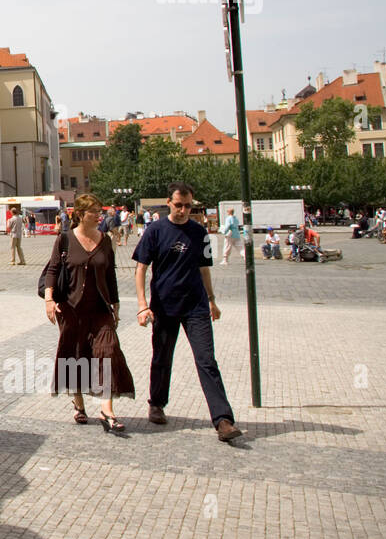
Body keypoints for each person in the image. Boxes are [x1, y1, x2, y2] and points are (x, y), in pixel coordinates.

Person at [134, 182, 242, 442]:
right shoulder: (155, 231)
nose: (183, 210)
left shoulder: (199, 232)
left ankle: (223, 420)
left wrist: (212, 300)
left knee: (207, 360)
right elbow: (141, 269)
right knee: (162, 358)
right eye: (179, 204)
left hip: (196, 306)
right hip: (164, 305)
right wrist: (142, 305)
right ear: (169, 203)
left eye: (188, 206)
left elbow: (205, 268)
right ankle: (157, 403)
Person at [42, 194, 134, 430]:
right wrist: (50, 299)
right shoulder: (65, 240)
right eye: (93, 211)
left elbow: (110, 274)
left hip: (100, 309)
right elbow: (53, 269)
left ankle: (107, 410)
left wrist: (116, 304)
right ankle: (79, 403)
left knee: (109, 350)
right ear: (81, 215)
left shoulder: (105, 240)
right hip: (71, 309)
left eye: (99, 210)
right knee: (75, 354)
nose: (99, 214)